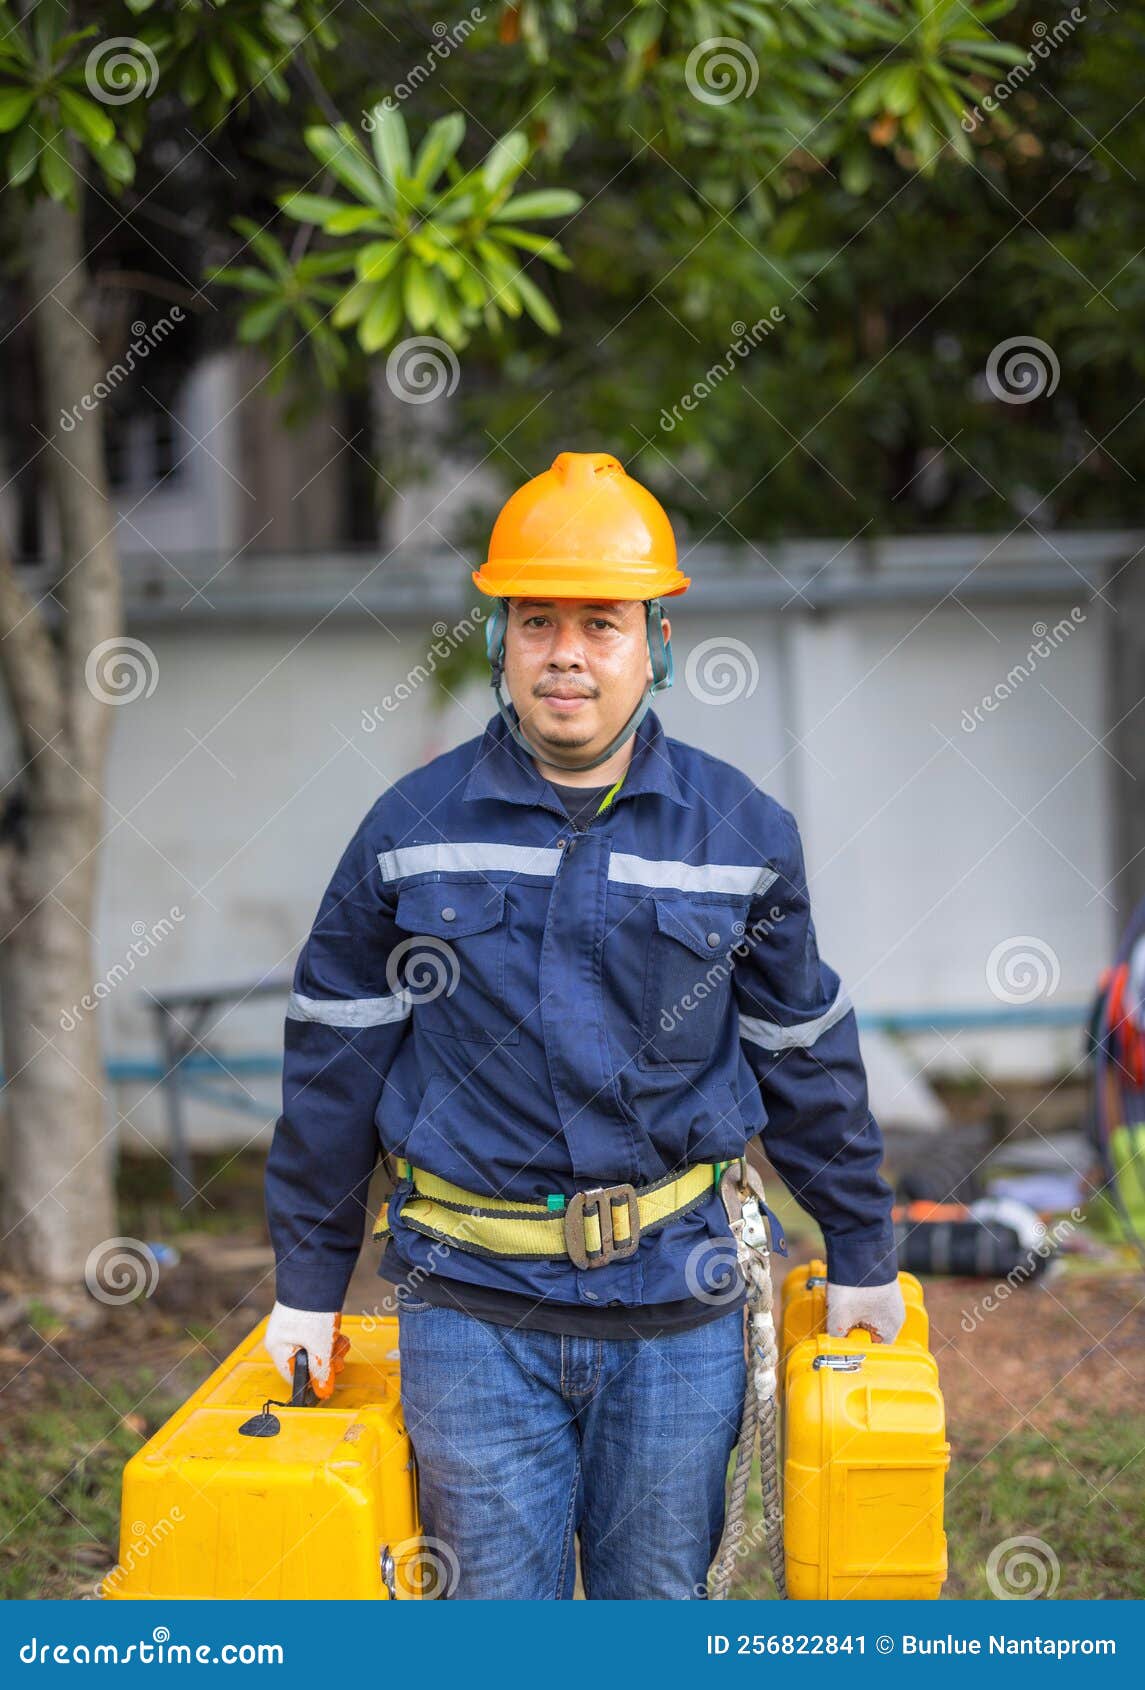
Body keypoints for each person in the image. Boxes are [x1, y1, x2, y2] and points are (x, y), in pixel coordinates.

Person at [263, 451, 904, 1599]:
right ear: (501, 640)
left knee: (649, 1621)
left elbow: (800, 1051)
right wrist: (308, 1282)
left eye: (600, 622)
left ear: (654, 644)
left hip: (677, 1308)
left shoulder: (738, 834)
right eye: (536, 619)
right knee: (494, 1629)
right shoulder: (407, 829)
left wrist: (859, 1247)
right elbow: (333, 1062)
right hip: (465, 1313)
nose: (565, 651)